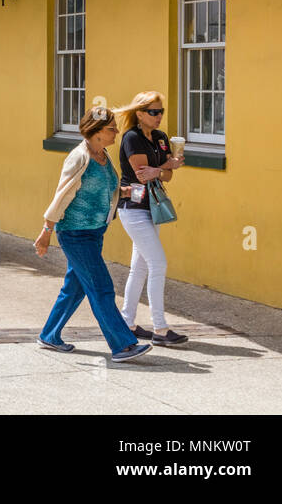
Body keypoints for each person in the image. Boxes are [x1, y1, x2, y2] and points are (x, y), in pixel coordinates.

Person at [34, 104, 151, 362]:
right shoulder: (79, 156)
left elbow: (102, 187)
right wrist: (46, 230)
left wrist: (122, 192)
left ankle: (49, 335)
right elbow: (62, 195)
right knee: (101, 287)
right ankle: (122, 345)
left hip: (95, 231)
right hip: (75, 234)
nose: (116, 132)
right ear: (96, 131)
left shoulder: (103, 155)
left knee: (74, 288)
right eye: (111, 129)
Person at [115, 91, 188, 346]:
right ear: (139, 114)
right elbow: (143, 175)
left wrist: (162, 169)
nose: (158, 117)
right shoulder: (132, 138)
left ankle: (127, 322)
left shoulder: (160, 138)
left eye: (161, 112)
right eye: (153, 112)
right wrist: (167, 166)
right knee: (158, 264)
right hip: (133, 207)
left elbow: (164, 176)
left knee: (141, 266)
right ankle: (160, 328)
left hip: (153, 206)